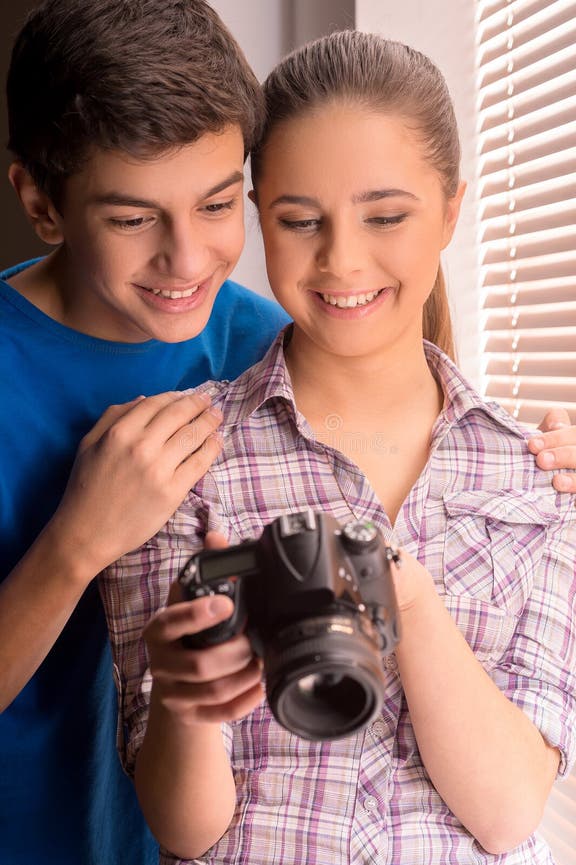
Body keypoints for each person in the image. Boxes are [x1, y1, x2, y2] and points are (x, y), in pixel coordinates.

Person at [101, 31, 576, 864]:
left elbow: (506, 814)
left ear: (452, 212)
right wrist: (184, 699)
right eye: (299, 220)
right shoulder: (175, 456)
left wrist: (405, 598)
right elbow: (185, 828)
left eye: (386, 215)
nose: (342, 259)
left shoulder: (537, 470)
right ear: (258, 219)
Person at [0, 1, 290, 863]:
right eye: (132, 220)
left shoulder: (265, 346)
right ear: (41, 203)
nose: (189, 259)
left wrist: (541, 456)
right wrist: (78, 541)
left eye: (216, 204)